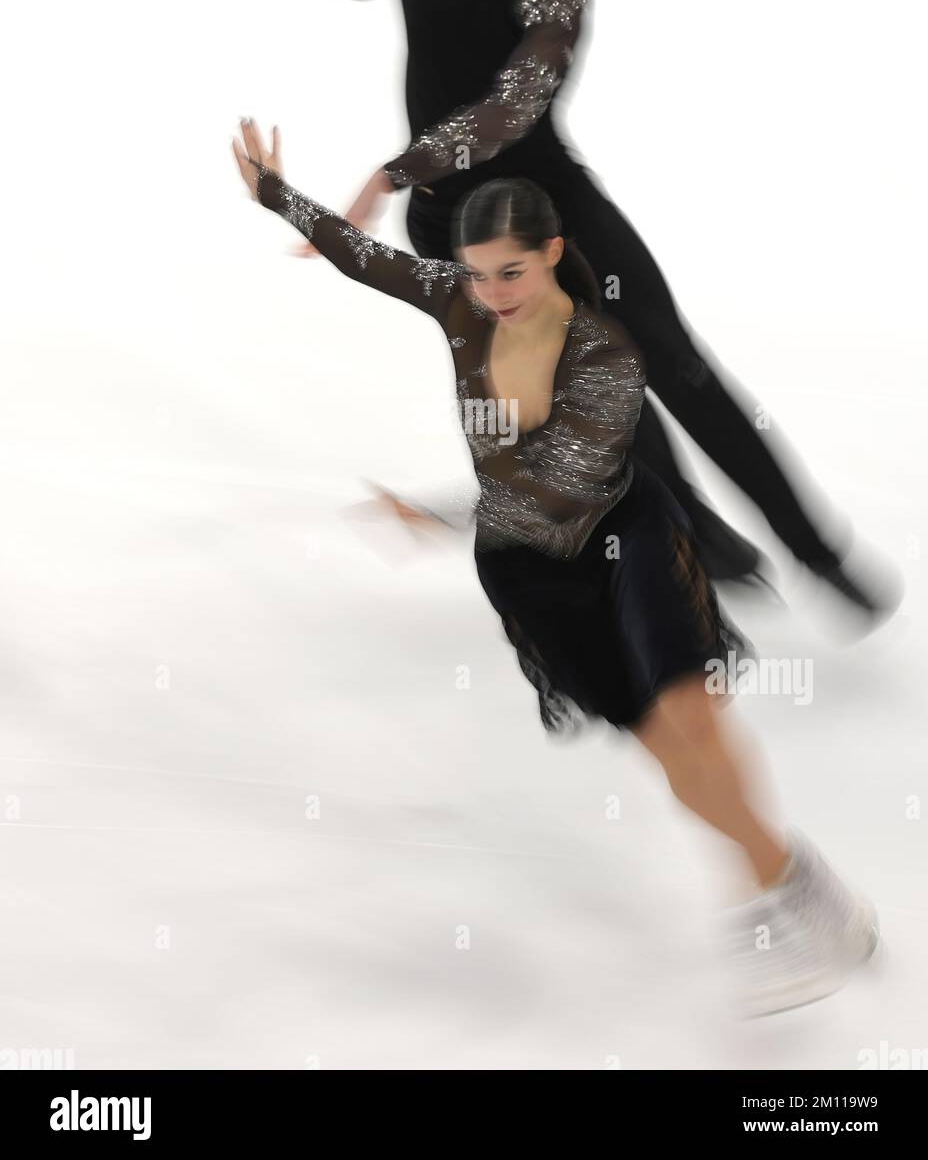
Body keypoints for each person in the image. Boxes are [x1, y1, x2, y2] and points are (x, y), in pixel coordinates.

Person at [231, 115, 880, 1016]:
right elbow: (362, 258)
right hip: (536, 576)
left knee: (696, 725)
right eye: (479, 272)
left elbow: (558, 480)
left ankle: (775, 902)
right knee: (671, 757)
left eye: (514, 271)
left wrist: (436, 511)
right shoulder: (458, 301)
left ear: (553, 254)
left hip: (627, 547)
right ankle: (797, 886)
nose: (493, 293)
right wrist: (277, 196)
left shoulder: (605, 356)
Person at [249, 0, 898, 622]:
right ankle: (700, 536)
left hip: (558, 208)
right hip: (460, 229)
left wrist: (393, 170)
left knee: (681, 370)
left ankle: (816, 551)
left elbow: (510, 108)